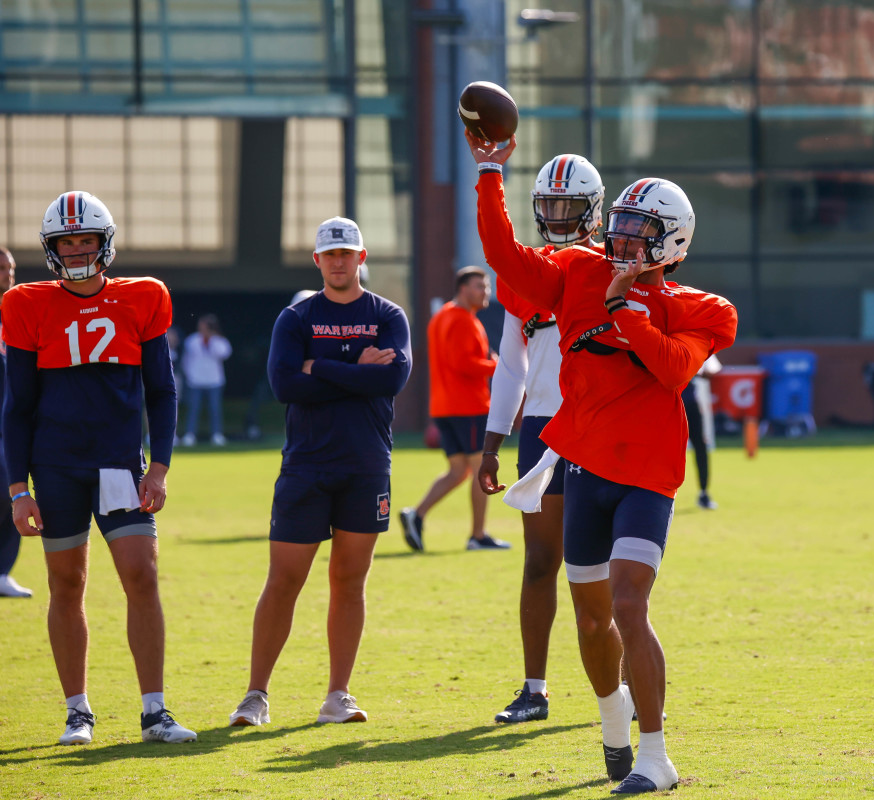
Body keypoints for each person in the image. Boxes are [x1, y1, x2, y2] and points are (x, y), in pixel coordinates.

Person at [471, 130, 738, 794]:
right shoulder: (575, 273)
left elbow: (673, 370)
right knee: (591, 620)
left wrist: (627, 311)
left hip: (647, 476)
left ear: (671, 239)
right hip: (582, 468)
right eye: (617, 226)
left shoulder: (703, 309)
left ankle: (656, 756)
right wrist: (487, 171)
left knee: (627, 605)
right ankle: (613, 716)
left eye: (637, 229)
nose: (618, 241)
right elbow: (503, 255)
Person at [2, 191, 195, 745]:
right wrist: (19, 488)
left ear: (105, 242)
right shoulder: (23, 303)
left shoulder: (144, 296)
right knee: (67, 584)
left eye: (86, 238)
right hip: (55, 467)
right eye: (68, 241)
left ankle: (154, 711)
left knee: (142, 575)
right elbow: (15, 408)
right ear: (52, 247)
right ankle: (77, 711)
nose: (78, 248)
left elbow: (162, 390)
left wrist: (158, 467)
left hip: (118, 465)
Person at [229, 217, 411, 728]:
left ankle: (338, 696)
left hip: (366, 464)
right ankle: (255, 695)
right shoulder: (295, 317)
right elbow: (285, 385)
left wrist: (321, 366)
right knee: (284, 580)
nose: (338, 261)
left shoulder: (389, 315)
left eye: (346, 253)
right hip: (306, 466)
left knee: (349, 582)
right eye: (330, 254)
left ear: (361, 257)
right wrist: (358, 370)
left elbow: (394, 377)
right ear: (316, 260)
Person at [476, 154, 606, 723]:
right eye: (548, 206)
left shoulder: (612, 267)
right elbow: (511, 366)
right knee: (538, 562)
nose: (555, 217)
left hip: (600, 428)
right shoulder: (523, 274)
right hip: (541, 428)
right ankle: (534, 689)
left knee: (602, 569)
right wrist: (491, 440)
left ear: (593, 212)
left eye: (567, 207)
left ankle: (622, 688)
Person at [400, 266, 507, 552]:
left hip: (445, 407)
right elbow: (464, 364)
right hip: (467, 407)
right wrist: (497, 365)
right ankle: (478, 536)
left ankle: (416, 514)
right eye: (479, 286)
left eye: (485, 287)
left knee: (459, 471)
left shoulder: (443, 316)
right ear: (463, 289)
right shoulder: (462, 319)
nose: (485, 292)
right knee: (479, 470)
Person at [0, 247, 32, 598]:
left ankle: (2, 570)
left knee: (12, 491)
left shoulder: (21, 312)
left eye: (10, 267)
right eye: (1, 268)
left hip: (12, 423)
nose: (7, 274)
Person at [180, 314, 232, 446]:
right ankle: (190, 435)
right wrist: (189, 375)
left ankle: (217, 434)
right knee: (193, 408)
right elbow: (186, 360)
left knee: (215, 409)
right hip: (195, 381)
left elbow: (225, 354)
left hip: (214, 381)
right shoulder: (192, 340)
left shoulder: (219, 341)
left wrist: (211, 341)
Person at [681, 355, 722, 510]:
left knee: (700, 446)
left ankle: (704, 492)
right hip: (668, 401)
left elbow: (713, 370)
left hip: (689, 402)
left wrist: (694, 371)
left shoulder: (697, 340)